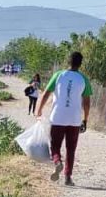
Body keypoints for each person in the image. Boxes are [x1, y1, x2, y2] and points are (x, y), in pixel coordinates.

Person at [36, 51, 92, 186]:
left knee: (55, 145)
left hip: (57, 117)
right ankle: (68, 177)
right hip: (74, 119)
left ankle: (57, 162)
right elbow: (86, 102)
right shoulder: (84, 79)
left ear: (68, 62)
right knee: (71, 149)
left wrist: (39, 110)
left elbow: (46, 94)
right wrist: (85, 119)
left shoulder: (58, 75)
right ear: (80, 64)